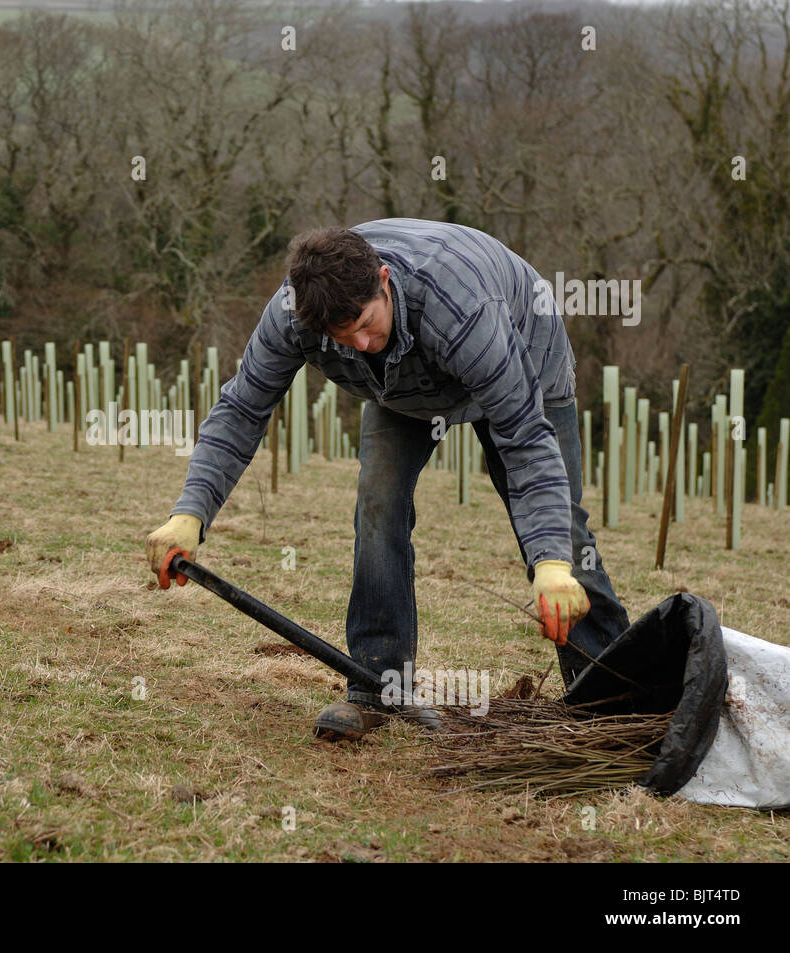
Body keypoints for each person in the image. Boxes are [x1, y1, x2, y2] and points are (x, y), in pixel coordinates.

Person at [145, 219, 630, 741]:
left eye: (364, 322)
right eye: (340, 337)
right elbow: (242, 408)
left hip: (522, 360)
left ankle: (613, 695)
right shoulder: (296, 315)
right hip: (401, 388)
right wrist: (189, 513)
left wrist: (551, 565)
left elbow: (526, 440)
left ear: (383, 279)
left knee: (566, 537)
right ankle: (378, 684)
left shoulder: (461, 309)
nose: (358, 342)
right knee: (378, 499)